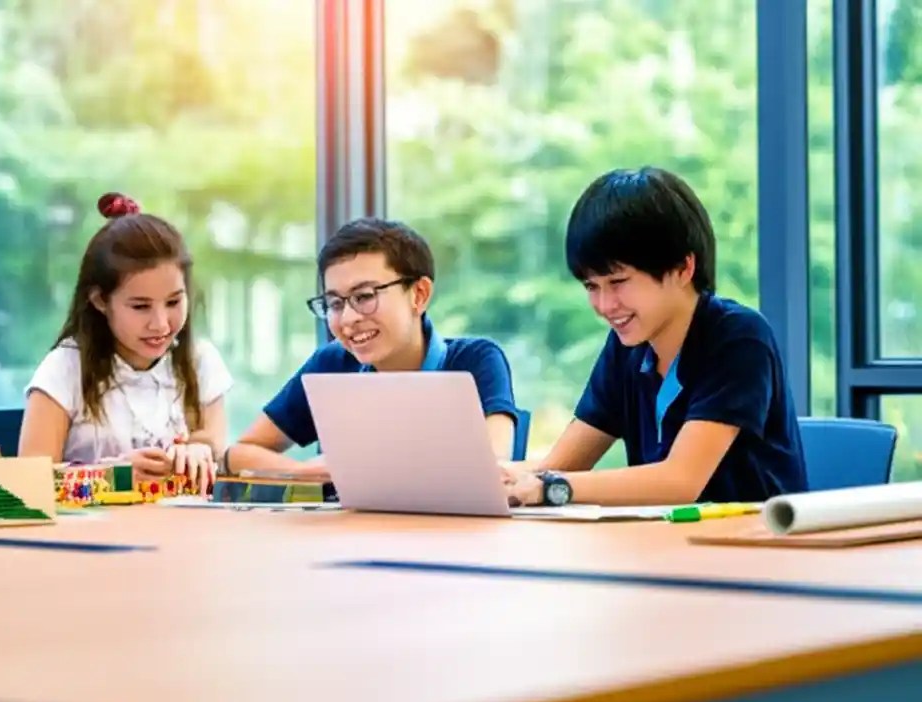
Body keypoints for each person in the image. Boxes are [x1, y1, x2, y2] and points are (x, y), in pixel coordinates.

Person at [502, 167, 807, 507]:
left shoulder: (739, 337)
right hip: (662, 538)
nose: (604, 305)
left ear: (683, 268)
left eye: (618, 282)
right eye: (591, 286)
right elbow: (559, 466)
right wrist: (505, 476)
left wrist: (551, 487)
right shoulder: (628, 345)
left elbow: (679, 483)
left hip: (753, 538)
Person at [225, 217, 519, 482]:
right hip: (352, 525)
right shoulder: (333, 364)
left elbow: (494, 467)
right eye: (335, 303)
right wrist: (306, 472)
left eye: (364, 296)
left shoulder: (475, 360)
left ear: (419, 295)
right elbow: (238, 454)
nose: (348, 319)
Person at [19, 192, 233, 492]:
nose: (161, 323)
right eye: (141, 306)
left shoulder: (200, 360)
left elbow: (216, 447)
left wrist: (201, 450)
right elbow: (28, 483)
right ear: (100, 300)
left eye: (174, 302)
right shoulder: (66, 367)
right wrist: (109, 477)